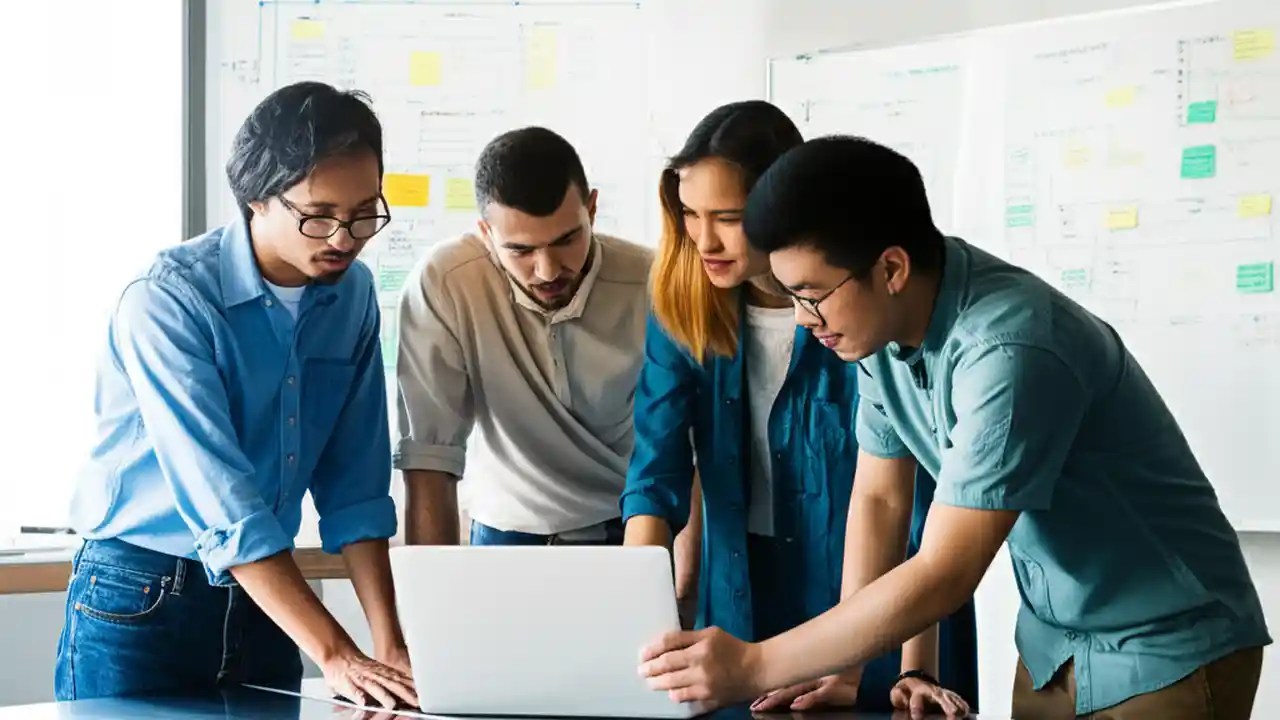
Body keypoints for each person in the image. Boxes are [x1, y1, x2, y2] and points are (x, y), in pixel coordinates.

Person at [636, 135, 1272, 720]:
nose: (804, 319)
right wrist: (842, 665)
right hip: (1056, 645)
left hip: (1170, 648)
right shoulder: (877, 330)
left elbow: (944, 569)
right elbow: (882, 498)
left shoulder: (1011, 350)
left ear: (891, 268)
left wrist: (752, 665)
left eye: (811, 294)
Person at [56, 82, 417, 710]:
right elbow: (221, 503)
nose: (344, 237)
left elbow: (355, 486)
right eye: (319, 214)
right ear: (255, 197)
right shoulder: (168, 301)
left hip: (267, 594)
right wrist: (334, 653)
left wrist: (389, 643)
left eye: (364, 212)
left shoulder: (352, 296)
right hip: (141, 589)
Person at [621, 103, 975, 716]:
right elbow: (655, 473)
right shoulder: (681, 302)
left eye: (728, 218)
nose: (705, 241)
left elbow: (914, 500)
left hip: (884, 597)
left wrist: (918, 662)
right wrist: (629, 618)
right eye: (691, 216)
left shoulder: (865, 309)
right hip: (741, 594)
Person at [396, 127, 690, 556]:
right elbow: (429, 459)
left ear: (592, 208)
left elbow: (689, 445)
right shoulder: (446, 283)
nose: (548, 270)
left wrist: (673, 567)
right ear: (485, 232)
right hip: (506, 532)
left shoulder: (653, 283)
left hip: (633, 526)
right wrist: (428, 603)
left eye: (567, 240)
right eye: (520, 250)